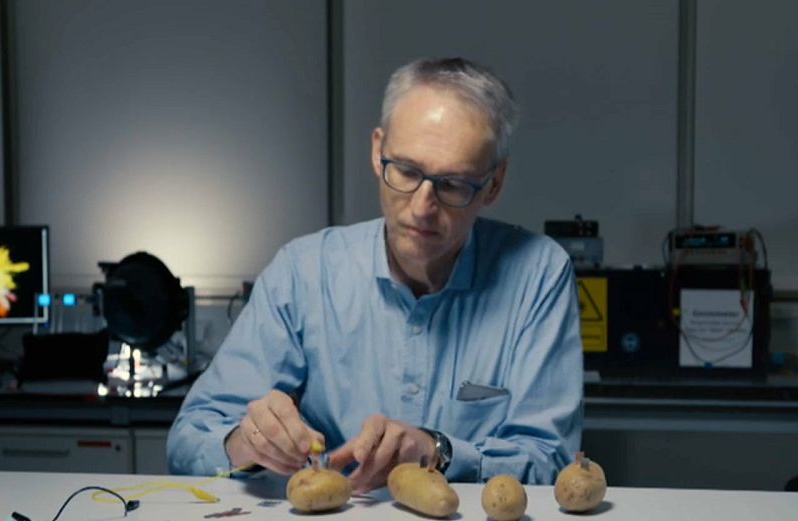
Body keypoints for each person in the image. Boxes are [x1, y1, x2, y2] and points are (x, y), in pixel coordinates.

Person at [168, 57, 582, 492]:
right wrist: (246, 445)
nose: (422, 206)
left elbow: (552, 463)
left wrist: (439, 452)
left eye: (453, 184)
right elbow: (188, 439)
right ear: (376, 150)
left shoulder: (538, 275)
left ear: (494, 184)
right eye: (405, 170)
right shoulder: (304, 273)